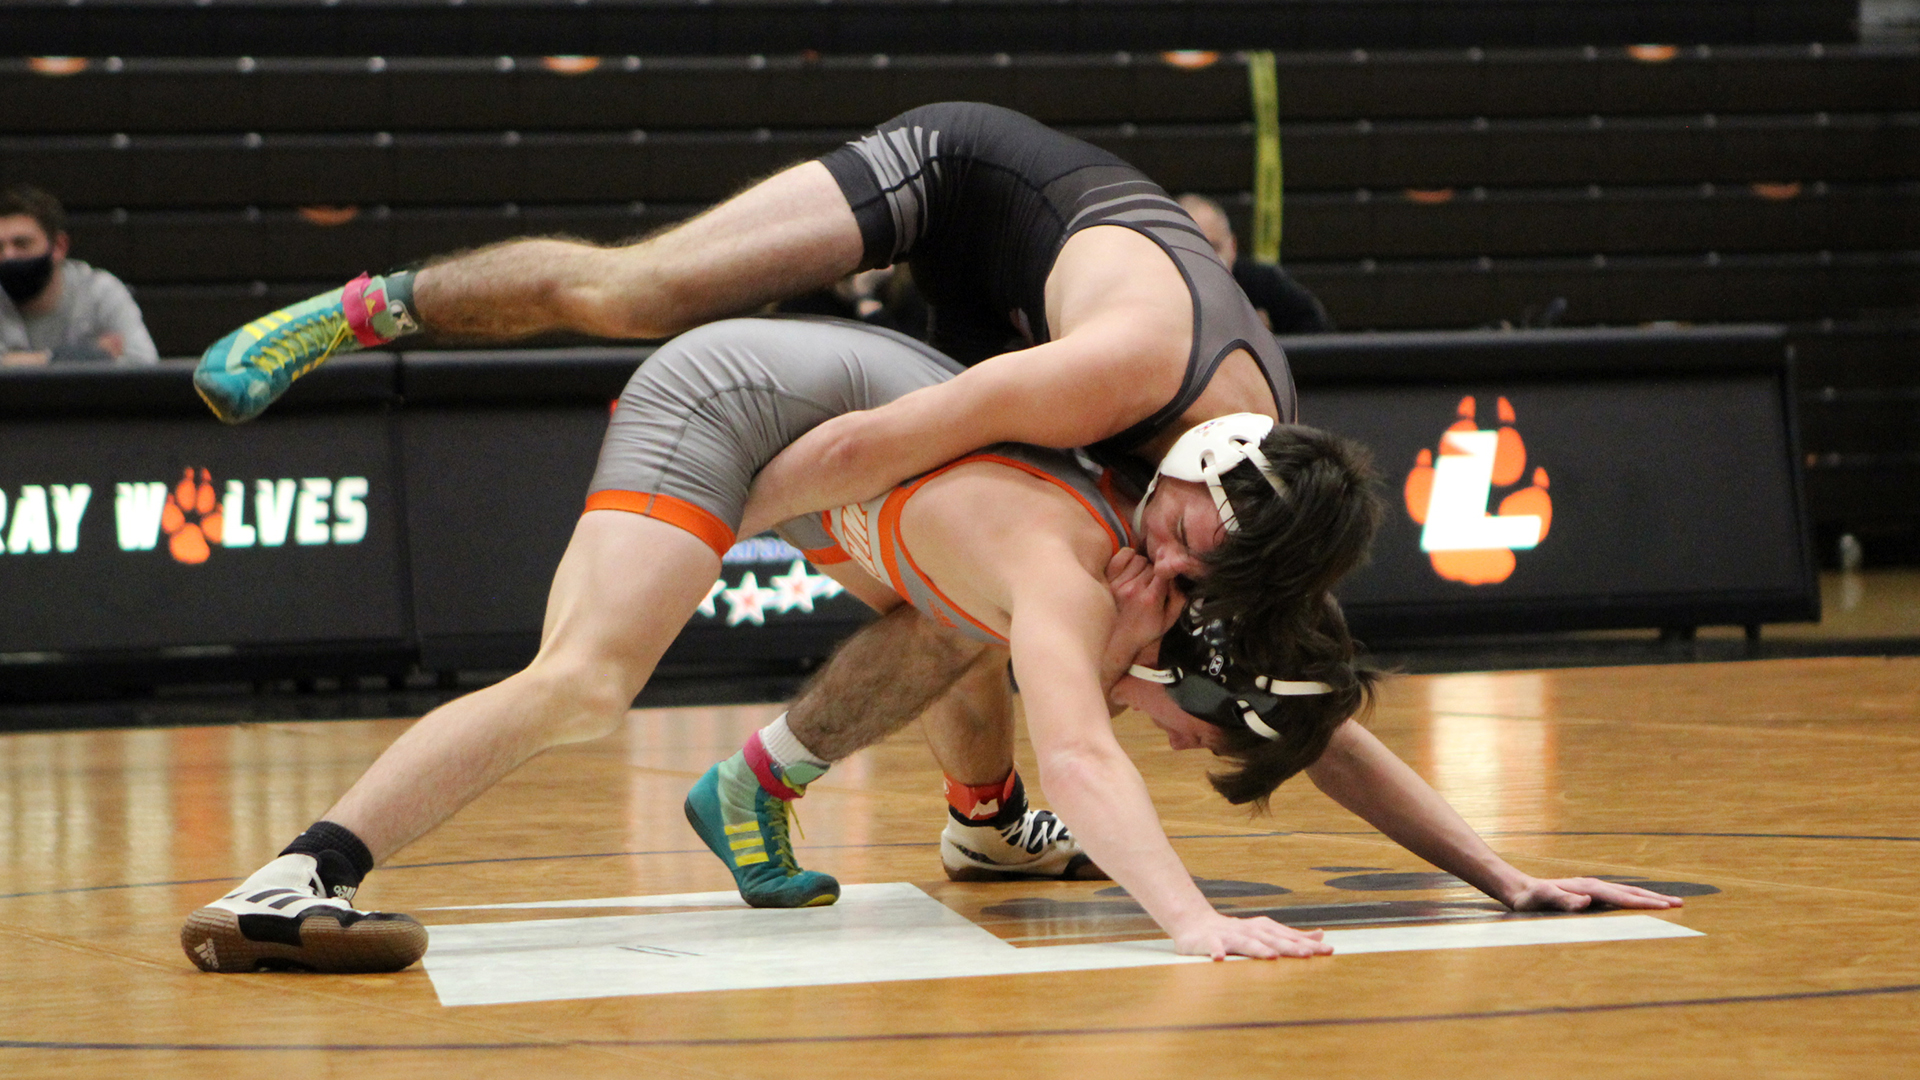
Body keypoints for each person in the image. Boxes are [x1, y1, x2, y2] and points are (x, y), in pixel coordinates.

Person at [180, 317, 1683, 976]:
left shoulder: (1185, 575)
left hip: (859, 452)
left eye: (1188, 572)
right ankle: (298, 875)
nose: (1160, 564)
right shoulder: (1083, 570)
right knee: (587, 678)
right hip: (748, 408)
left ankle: (947, 817)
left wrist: (1503, 875)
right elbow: (1087, 749)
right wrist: (1191, 918)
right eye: (1170, 537)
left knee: (974, 645)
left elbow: (1324, 732)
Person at [190, 103, 1321, 885]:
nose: (1168, 569)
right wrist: (696, 533)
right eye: (1179, 549)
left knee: (984, 600)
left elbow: (1305, 686)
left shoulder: (1247, 504)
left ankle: (978, 821)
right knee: (640, 291)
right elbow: (863, 447)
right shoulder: (1123, 379)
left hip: (1014, 316)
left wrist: (1464, 857)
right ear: (1202, 477)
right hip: (958, 179)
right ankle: (363, 307)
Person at [1, 184, 159, 366]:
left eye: (22, 244)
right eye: (0, 248)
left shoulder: (99, 292)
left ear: (59, 246)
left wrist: (16, 361)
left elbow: (144, 363)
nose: (8, 256)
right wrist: (72, 357)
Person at [1176, 193, 1335, 335]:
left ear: (1232, 247)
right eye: (1191, 249)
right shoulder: (1161, 295)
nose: (1205, 259)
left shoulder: (1263, 286)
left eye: (1214, 248)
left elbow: (1320, 339)